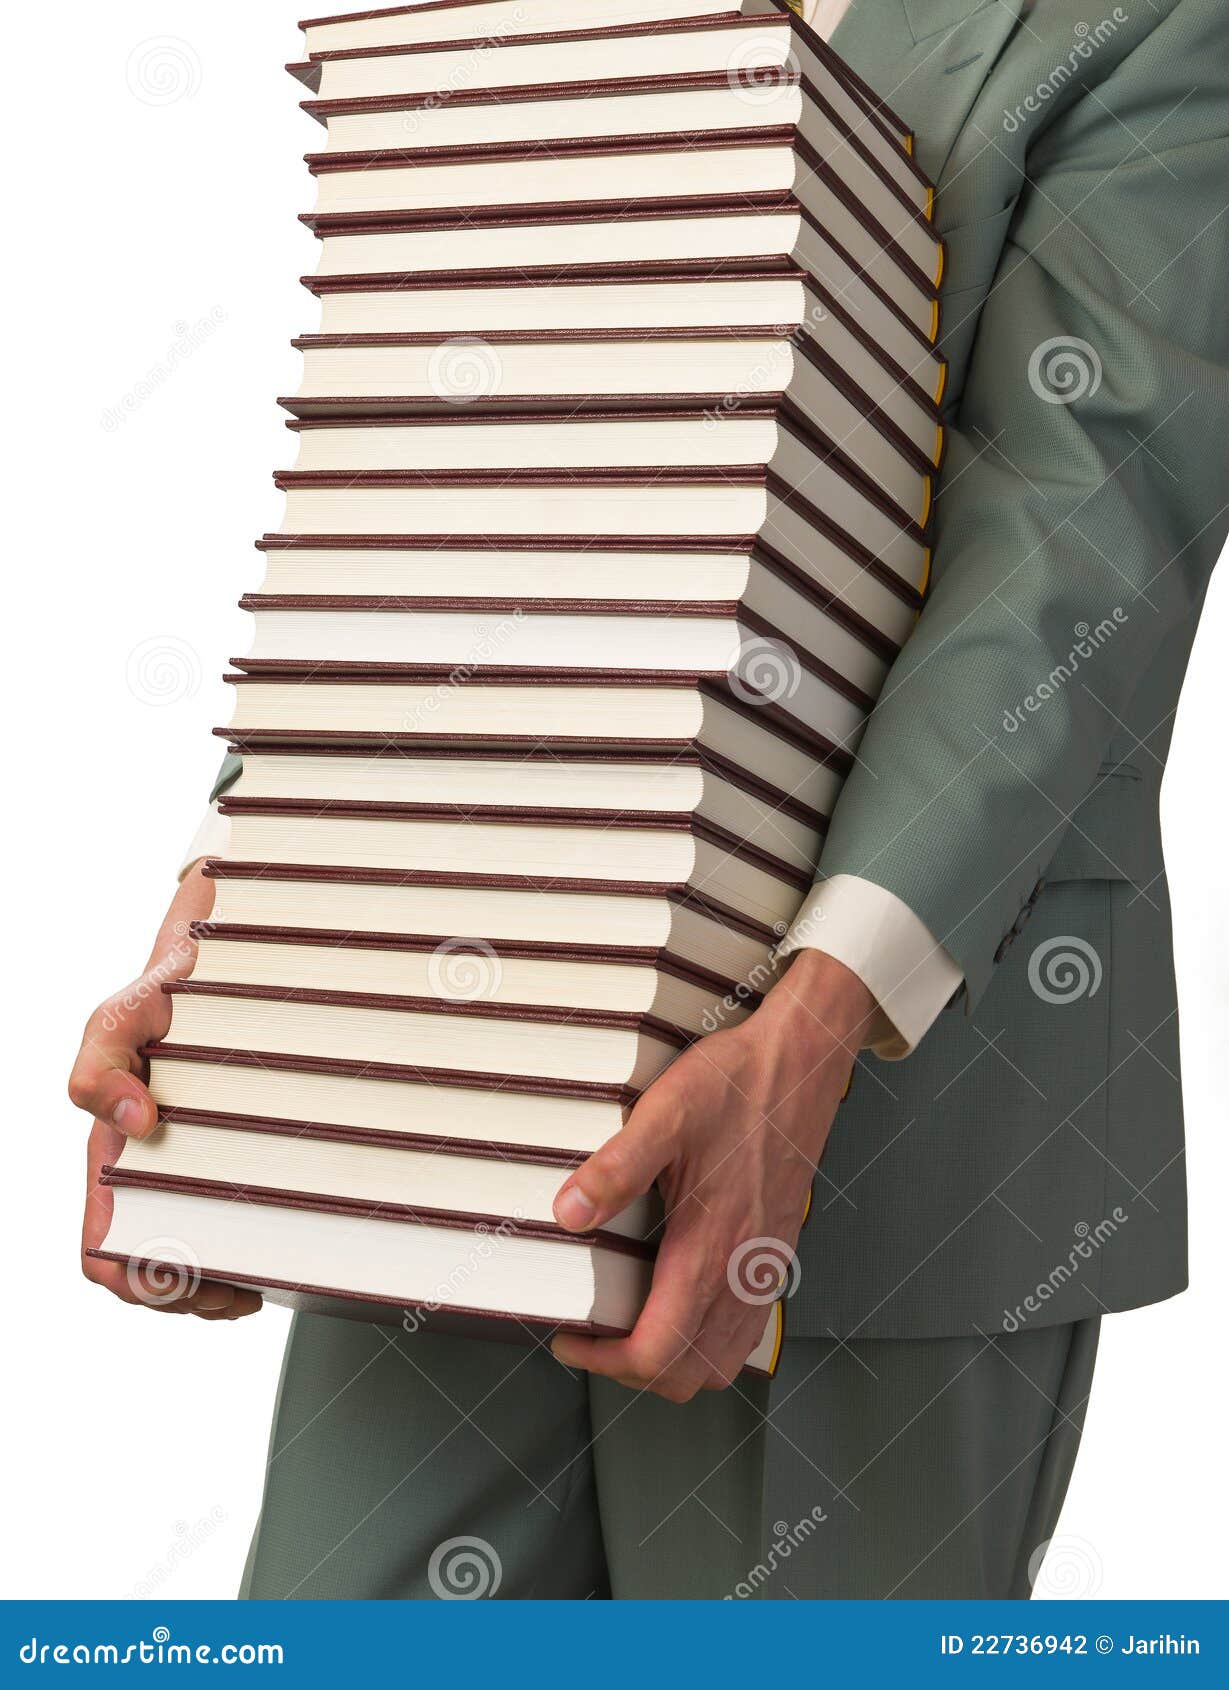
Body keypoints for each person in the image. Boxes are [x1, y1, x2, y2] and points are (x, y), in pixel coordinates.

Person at [69, 0, 1228, 1598]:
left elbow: (1073, 545)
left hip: (908, 1125)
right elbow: (425, 472)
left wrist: (815, 1023)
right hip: (457, 1076)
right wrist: (239, 929)